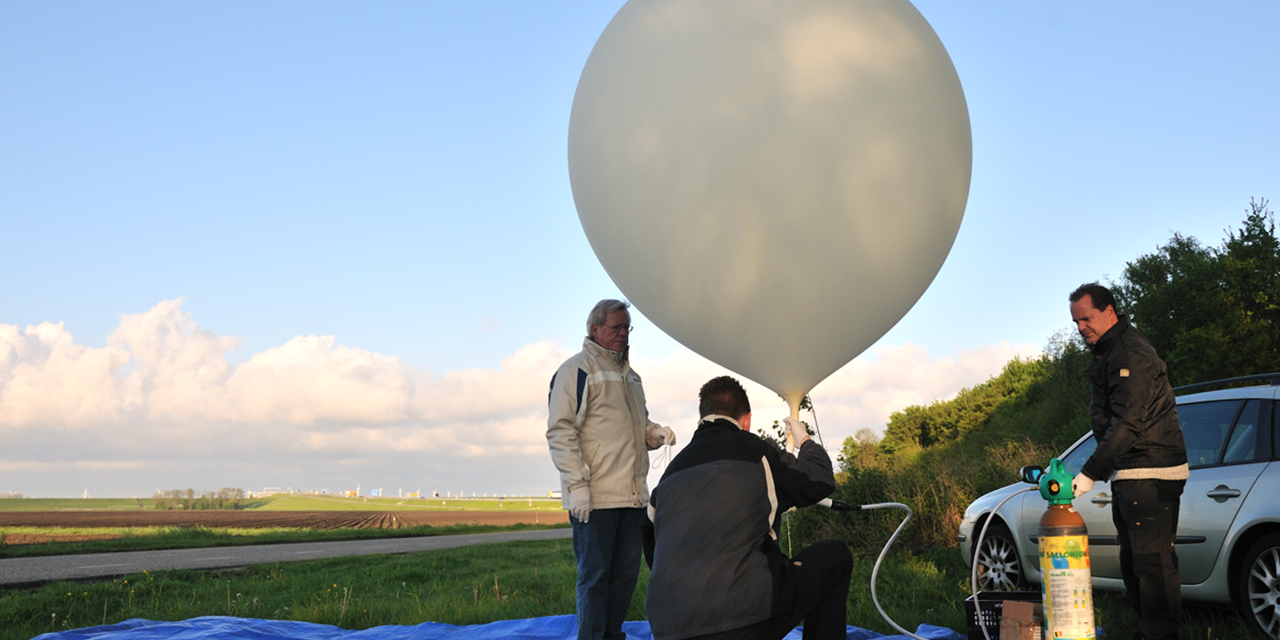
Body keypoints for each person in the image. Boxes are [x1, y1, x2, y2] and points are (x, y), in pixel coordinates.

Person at [643, 375, 852, 640]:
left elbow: (652, 545)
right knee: (836, 555)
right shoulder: (757, 452)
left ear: (701, 419)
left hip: (667, 626)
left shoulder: (668, 477)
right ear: (747, 420)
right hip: (743, 618)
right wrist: (805, 440)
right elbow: (818, 480)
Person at [547, 299, 677, 640]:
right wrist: (577, 484)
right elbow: (560, 430)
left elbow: (637, 426)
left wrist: (655, 434)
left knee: (624, 577)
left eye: (626, 328)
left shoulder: (632, 377)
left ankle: (611, 635)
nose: (623, 334)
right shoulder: (576, 371)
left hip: (632, 497)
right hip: (595, 498)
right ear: (595, 329)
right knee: (594, 576)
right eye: (616, 327)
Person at [1068, 282, 1188, 640]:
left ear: (1109, 312)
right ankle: (1148, 631)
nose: (1081, 328)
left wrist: (1090, 472)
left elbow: (1128, 422)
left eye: (1086, 319)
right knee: (1136, 560)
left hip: (1149, 470)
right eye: (1075, 322)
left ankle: (1159, 635)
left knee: (1152, 562)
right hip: (1133, 470)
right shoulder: (1109, 351)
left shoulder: (1128, 353)